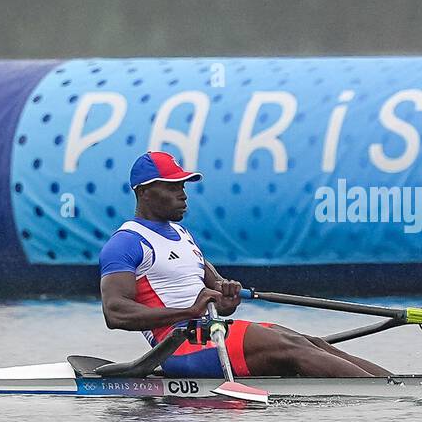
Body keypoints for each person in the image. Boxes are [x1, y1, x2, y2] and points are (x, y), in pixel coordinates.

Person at [98, 152, 392, 378]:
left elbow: (216, 291)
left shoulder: (182, 235)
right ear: (144, 192)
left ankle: (398, 384)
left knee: (309, 341)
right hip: (178, 346)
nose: (183, 194)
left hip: (210, 332)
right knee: (292, 347)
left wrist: (227, 297)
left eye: (184, 185)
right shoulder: (126, 242)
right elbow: (115, 312)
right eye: (173, 186)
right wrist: (190, 311)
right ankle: (390, 397)